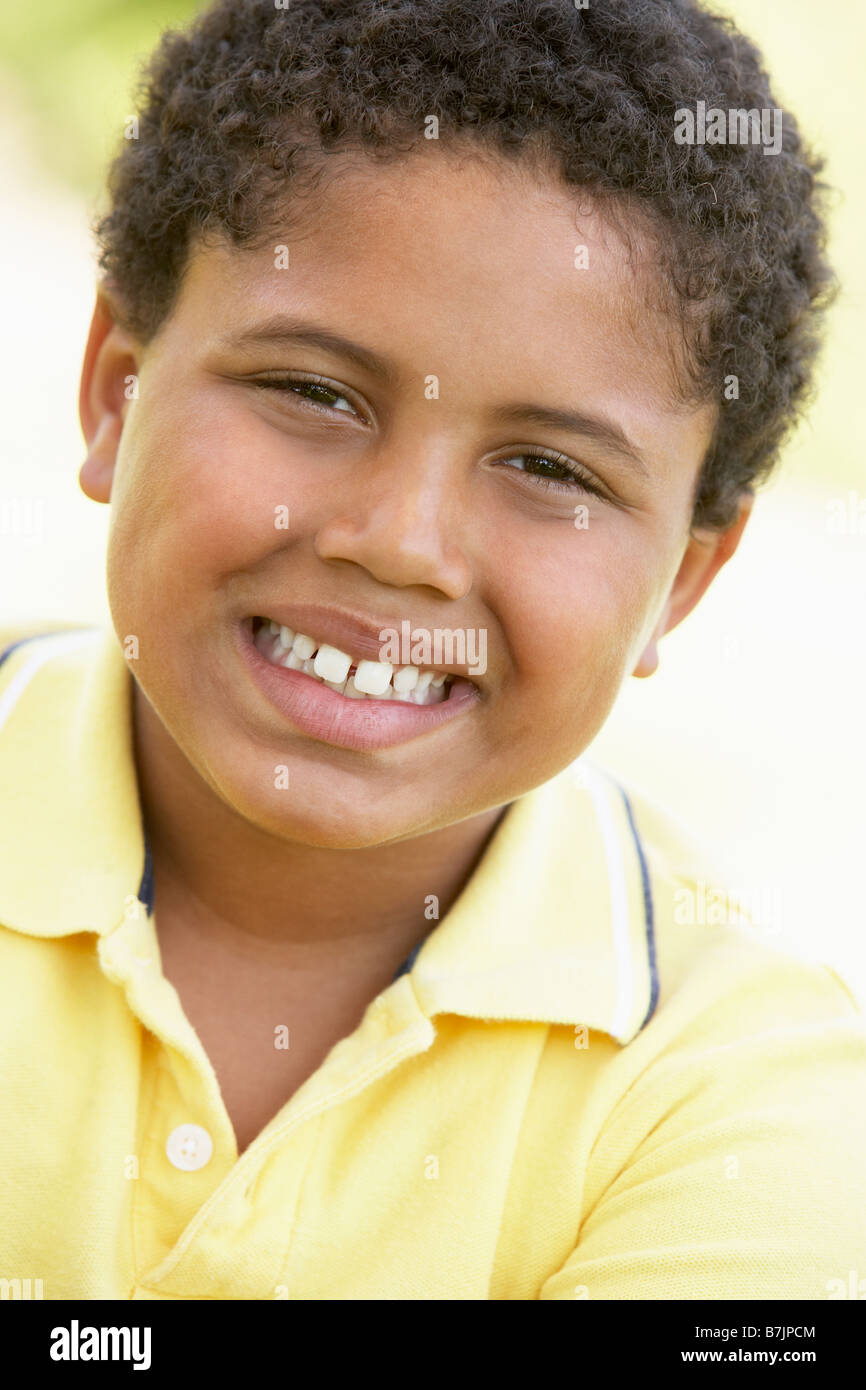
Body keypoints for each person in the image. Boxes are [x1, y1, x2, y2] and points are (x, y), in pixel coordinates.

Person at [1, 0, 863, 1300]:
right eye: (313, 392)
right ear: (119, 388)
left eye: (545, 467)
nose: (400, 543)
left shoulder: (740, 1099)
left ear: (683, 577)